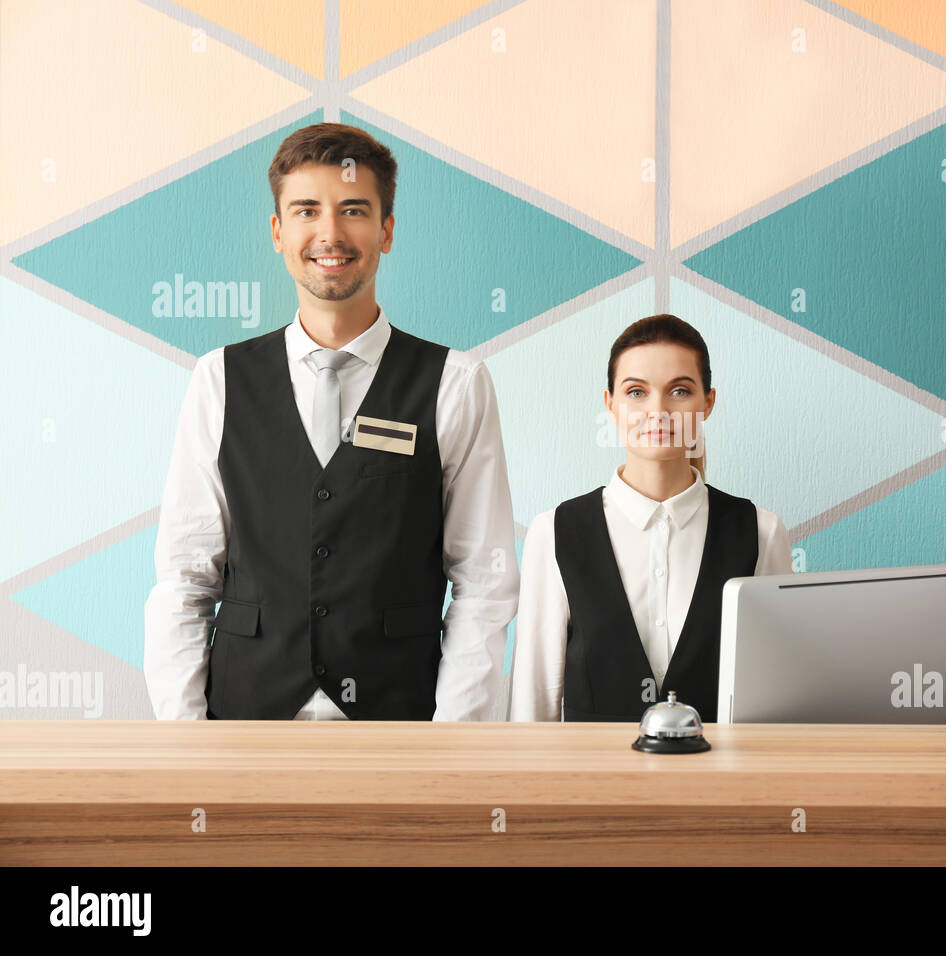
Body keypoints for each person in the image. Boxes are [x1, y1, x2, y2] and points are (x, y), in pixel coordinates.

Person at [144, 122, 519, 720]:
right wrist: (185, 736)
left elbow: (483, 584)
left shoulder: (456, 384)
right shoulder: (218, 379)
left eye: (353, 210)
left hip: (399, 728)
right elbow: (185, 580)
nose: (330, 233)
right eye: (306, 210)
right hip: (244, 728)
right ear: (278, 231)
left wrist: (453, 745)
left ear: (386, 230)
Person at [509, 314, 792, 722]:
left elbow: (776, 696)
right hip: (592, 785)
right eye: (637, 392)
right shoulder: (553, 532)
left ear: (708, 402)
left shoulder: (761, 532)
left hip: (723, 783)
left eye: (679, 390)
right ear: (610, 403)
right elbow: (532, 707)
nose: (658, 411)